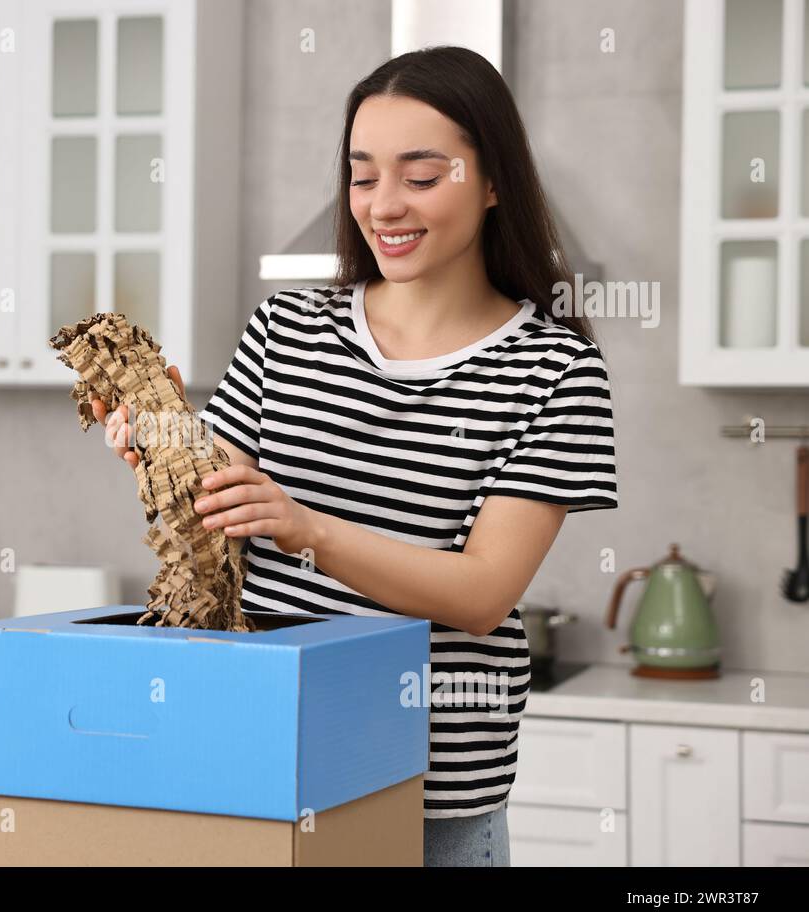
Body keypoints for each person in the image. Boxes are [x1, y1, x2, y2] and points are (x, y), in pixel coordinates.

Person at [91, 46, 617, 867]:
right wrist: (157, 445)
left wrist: (310, 530)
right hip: (263, 754)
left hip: (429, 790)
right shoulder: (285, 329)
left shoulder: (555, 373)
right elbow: (217, 517)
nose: (384, 204)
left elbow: (481, 596)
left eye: (421, 174)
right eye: (363, 174)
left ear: (492, 181)